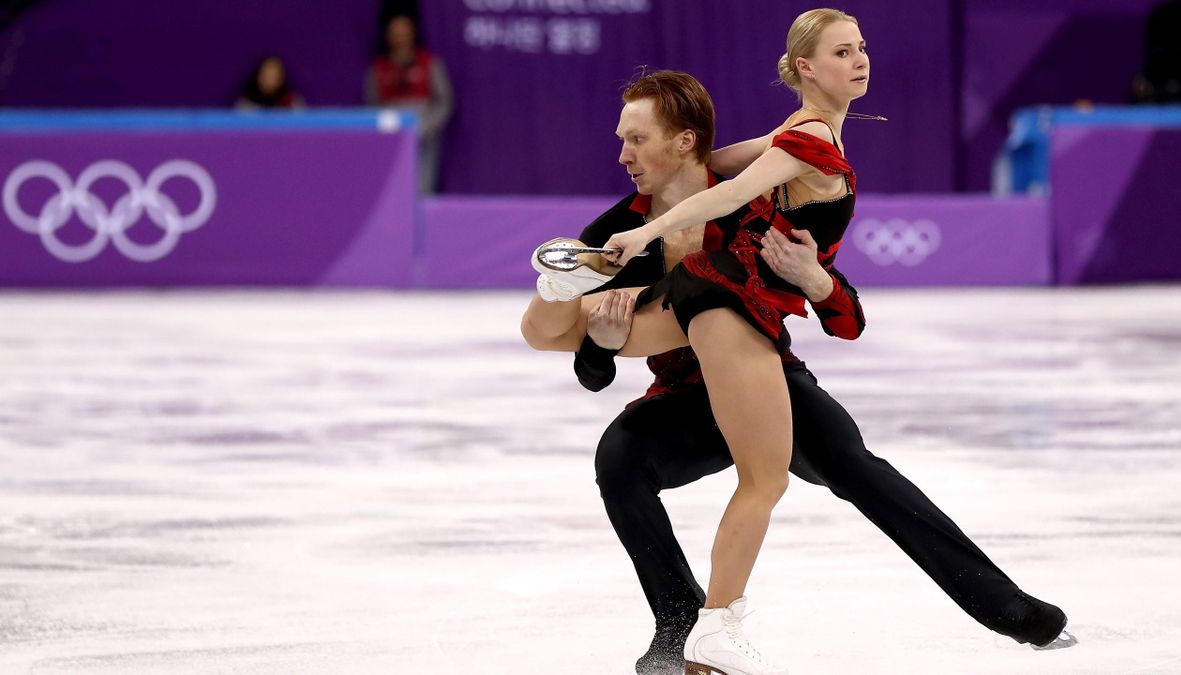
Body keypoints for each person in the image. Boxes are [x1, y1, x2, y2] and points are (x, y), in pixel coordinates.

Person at [522, 11, 1075, 675]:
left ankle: (1007, 607)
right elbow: (549, 337)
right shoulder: (622, 228)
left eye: (637, 139)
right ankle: (683, 621)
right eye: (624, 140)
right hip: (687, 395)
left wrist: (815, 278)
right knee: (620, 460)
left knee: (854, 466)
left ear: (684, 144)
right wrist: (596, 342)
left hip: (761, 373)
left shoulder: (755, 193)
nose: (622, 155)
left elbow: (844, 318)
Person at [365, 14, 454, 193]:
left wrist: (426, 128)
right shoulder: (378, 69)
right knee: (392, 191)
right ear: (388, 36)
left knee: (422, 191)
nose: (399, 37)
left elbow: (444, 101)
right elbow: (372, 107)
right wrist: (386, 132)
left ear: (412, 34)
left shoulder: (429, 63)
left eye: (403, 32)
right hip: (390, 141)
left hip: (424, 139)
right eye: (395, 33)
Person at [235, 55, 305, 110]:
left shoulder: (293, 104)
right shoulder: (245, 106)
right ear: (258, 77)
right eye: (266, 75)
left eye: (274, 76)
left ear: (281, 78)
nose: (269, 81)